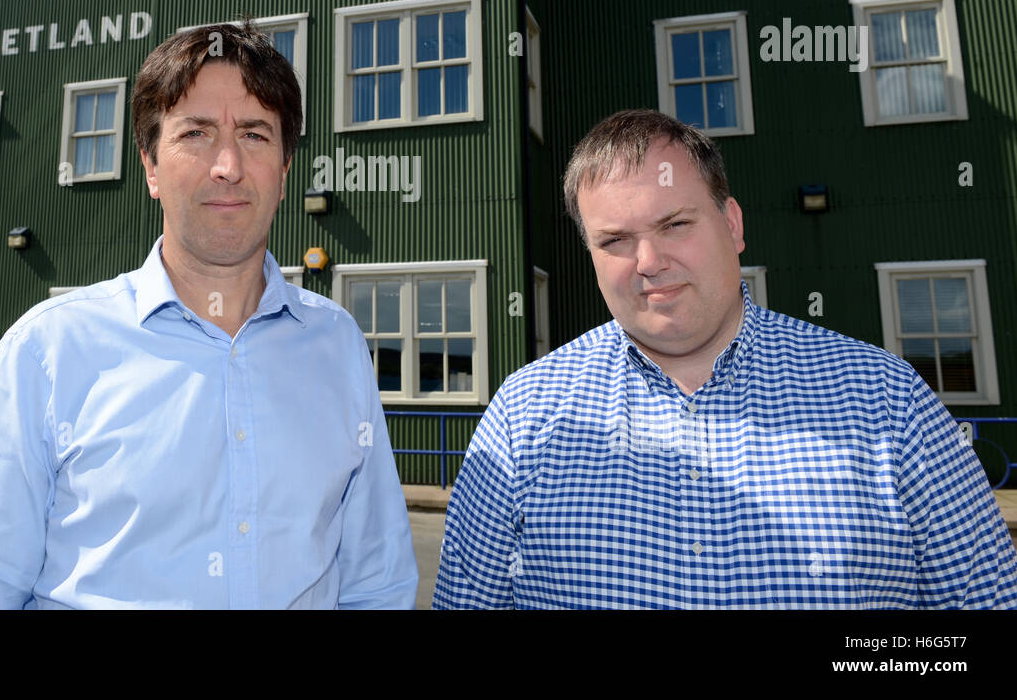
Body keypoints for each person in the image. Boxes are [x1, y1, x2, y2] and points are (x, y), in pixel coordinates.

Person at [0, 23, 418, 609]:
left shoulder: (338, 345)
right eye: (196, 133)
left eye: (255, 134)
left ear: (283, 172)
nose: (227, 164)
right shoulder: (47, 351)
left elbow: (376, 581)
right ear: (150, 166)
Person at [433, 108, 1017, 609]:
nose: (648, 261)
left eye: (675, 224)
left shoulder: (885, 398)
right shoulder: (524, 413)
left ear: (732, 224)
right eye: (613, 240)